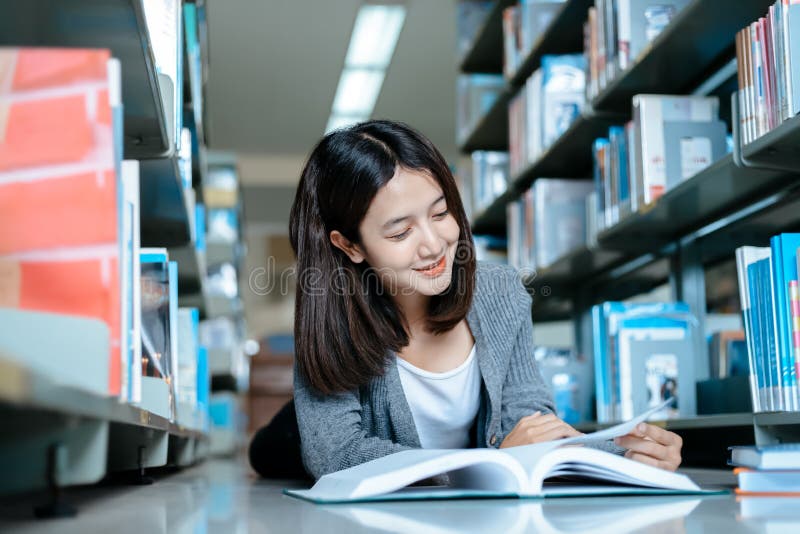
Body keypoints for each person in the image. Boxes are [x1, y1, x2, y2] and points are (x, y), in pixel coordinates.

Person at [248, 120, 683, 480]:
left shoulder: (500, 292)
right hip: (296, 440)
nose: (434, 244)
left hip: (443, 478)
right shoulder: (332, 317)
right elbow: (334, 454)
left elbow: (528, 422)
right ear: (350, 246)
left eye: (440, 213)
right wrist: (485, 464)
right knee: (267, 453)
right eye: (400, 232)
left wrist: (623, 452)